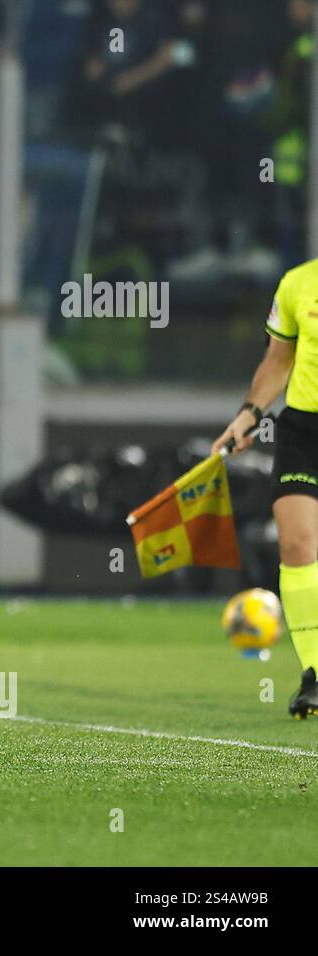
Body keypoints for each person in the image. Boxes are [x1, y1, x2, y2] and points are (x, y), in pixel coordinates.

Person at [213, 259, 318, 717]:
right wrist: (248, 415)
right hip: (304, 430)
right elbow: (278, 360)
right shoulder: (298, 283)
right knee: (296, 543)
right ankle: (316, 674)